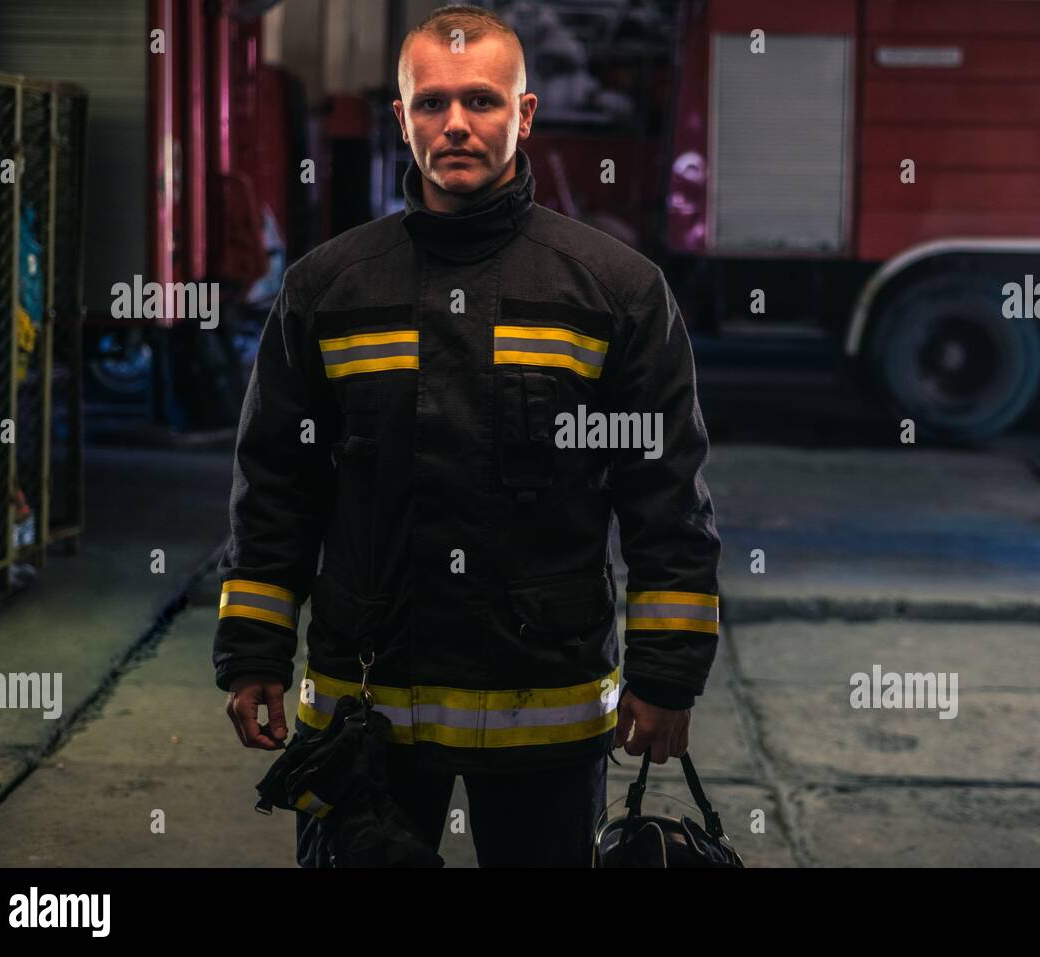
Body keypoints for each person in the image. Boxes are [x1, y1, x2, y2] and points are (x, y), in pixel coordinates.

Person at [214, 3, 721, 867]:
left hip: (546, 705)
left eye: (483, 101)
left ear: (525, 115)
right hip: (364, 706)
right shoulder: (327, 289)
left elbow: (662, 492)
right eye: (432, 102)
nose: (456, 123)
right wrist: (256, 645)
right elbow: (279, 481)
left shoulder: (616, 291)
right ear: (401, 117)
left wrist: (667, 671)